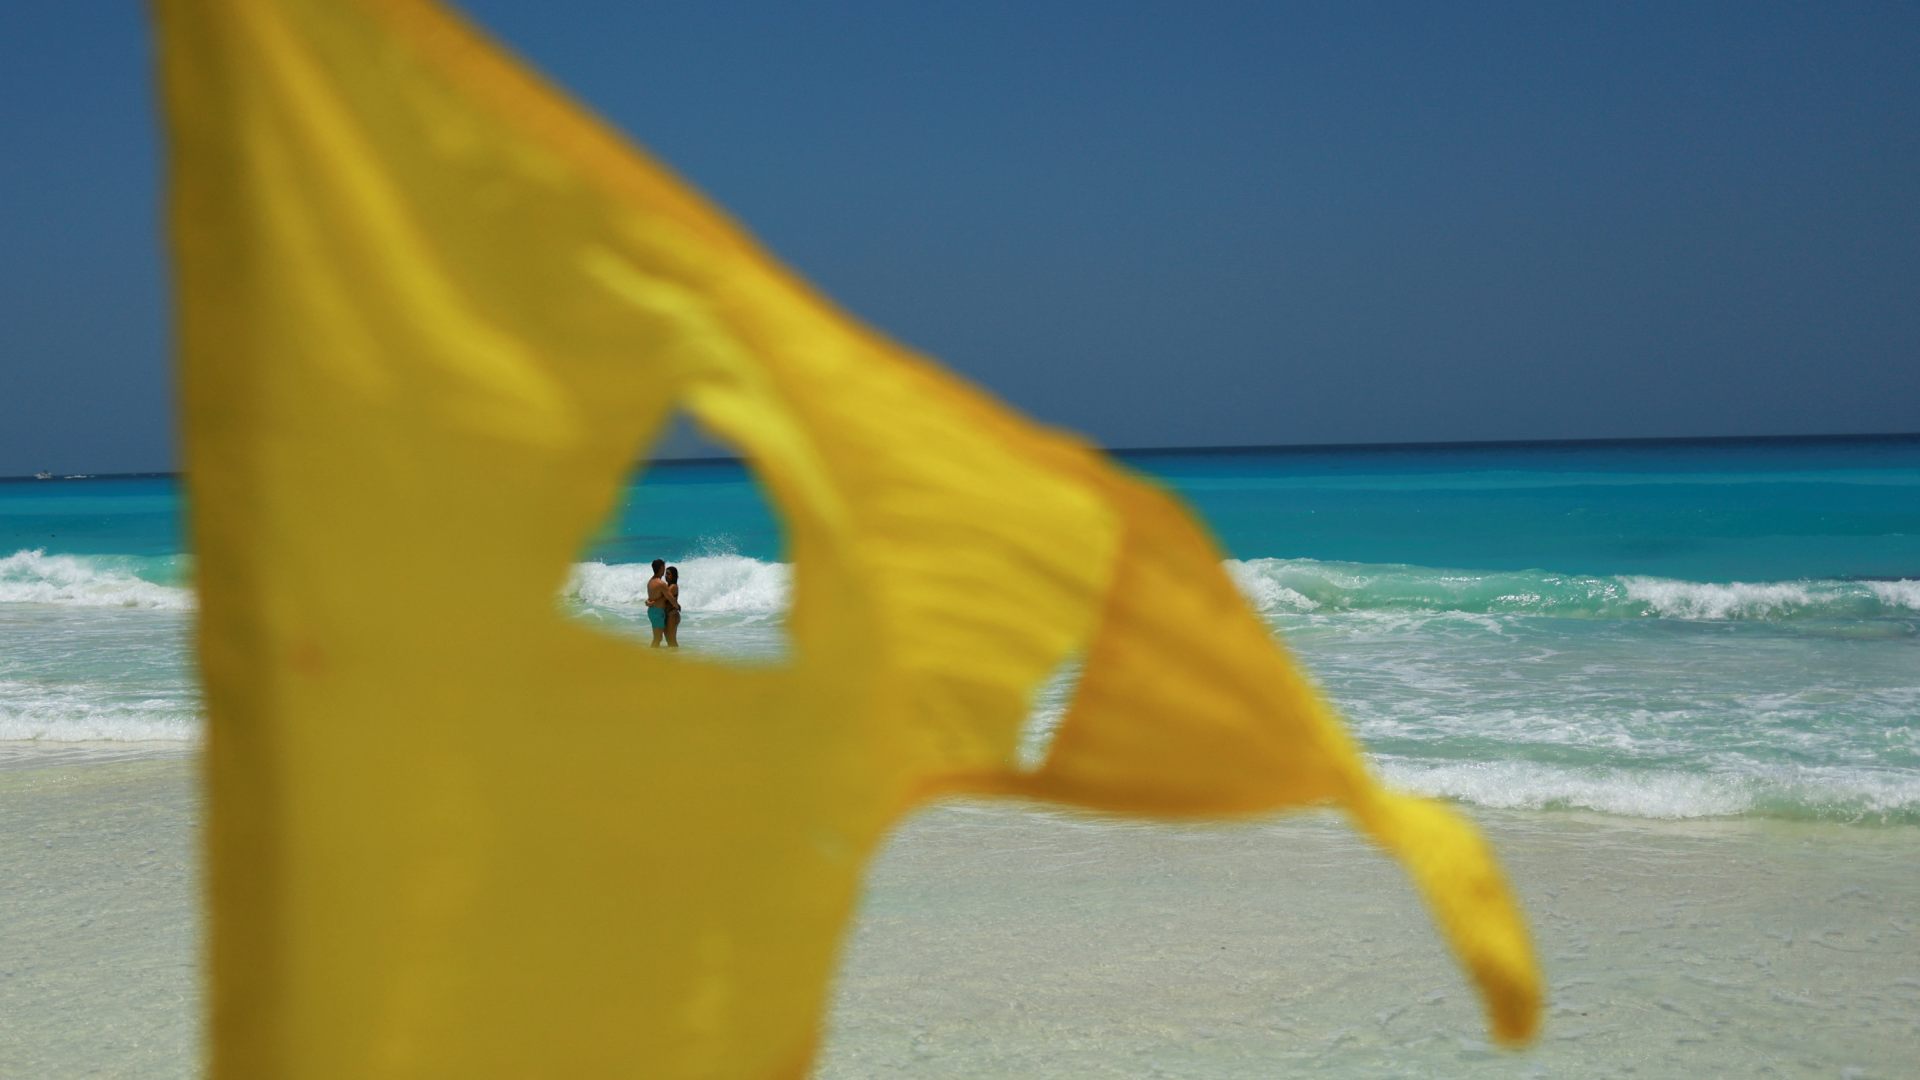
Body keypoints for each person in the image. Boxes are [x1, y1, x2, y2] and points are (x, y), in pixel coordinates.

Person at [645, 559, 670, 648]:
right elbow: (670, 598)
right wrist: (677, 606)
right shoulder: (661, 583)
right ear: (661, 568)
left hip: (654, 611)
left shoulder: (651, 581)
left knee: (658, 638)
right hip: (657, 612)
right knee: (657, 638)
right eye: (664, 567)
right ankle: (651, 657)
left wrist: (647, 602)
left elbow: (652, 597)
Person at [663, 565, 682, 648]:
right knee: (669, 640)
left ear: (673, 576)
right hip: (668, 615)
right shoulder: (667, 586)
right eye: (665, 574)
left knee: (672, 640)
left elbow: (663, 598)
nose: (666, 576)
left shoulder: (673, 586)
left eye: (668, 574)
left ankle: (676, 658)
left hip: (672, 615)